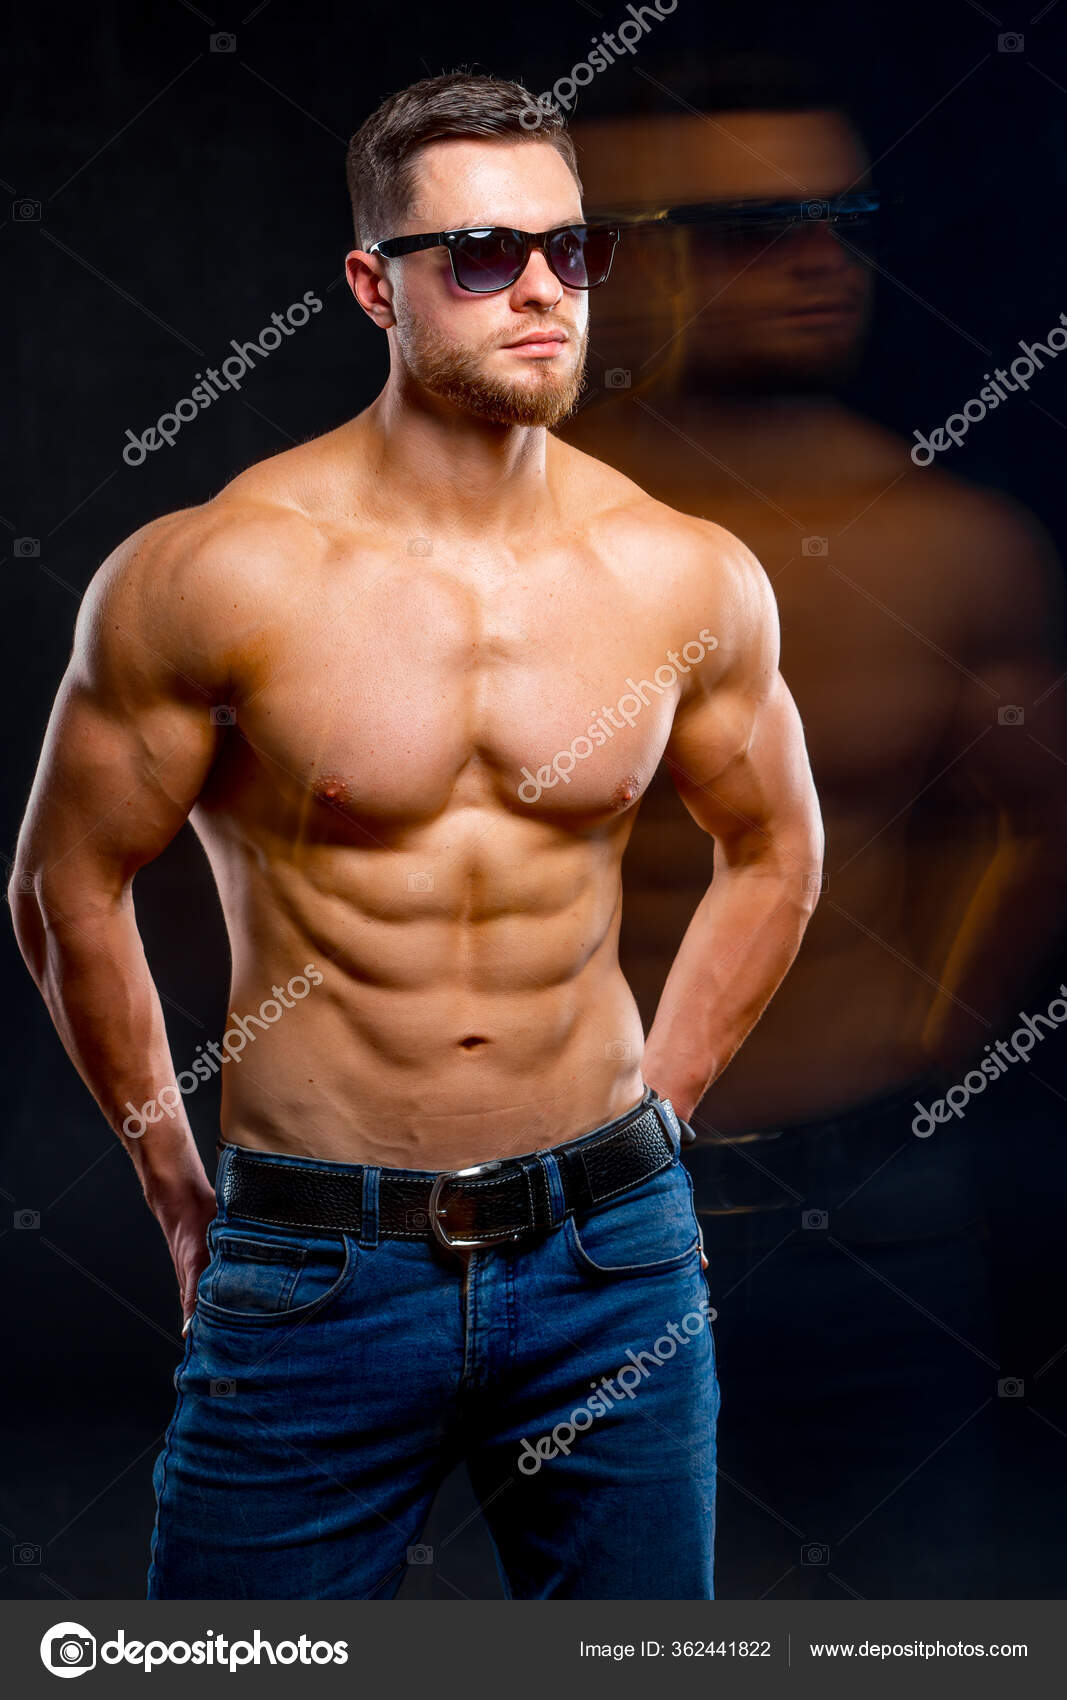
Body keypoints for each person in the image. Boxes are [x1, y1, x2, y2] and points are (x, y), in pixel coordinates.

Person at [8, 71, 822, 1601]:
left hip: (609, 1262)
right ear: (374, 286)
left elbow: (776, 850)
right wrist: (185, 1202)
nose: (537, 290)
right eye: (480, 254)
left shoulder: (679, 573)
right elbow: (66, 894)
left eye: (571, 252)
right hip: (316, 1263)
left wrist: (659, 1123)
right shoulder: (219, 573)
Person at [559, 58, 1067, 1598]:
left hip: (869, 1194)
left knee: (911, 1615)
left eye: (837, 221)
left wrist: (928, 1042)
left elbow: (1035, 822)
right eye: (751, 227)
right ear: (607, 261)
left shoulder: (952, 547)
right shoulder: (470, 554)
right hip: (541, 1213)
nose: (817, 262)